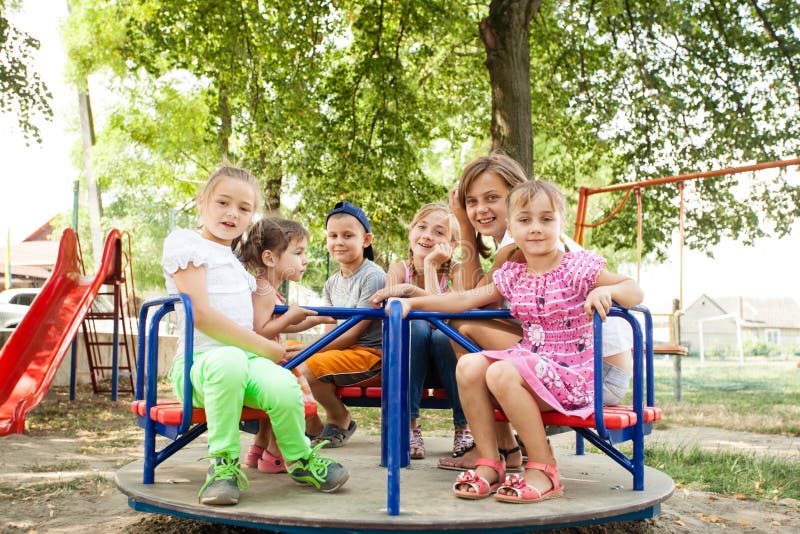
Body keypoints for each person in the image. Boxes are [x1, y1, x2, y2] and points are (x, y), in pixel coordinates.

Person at [390, 180, 644, 503]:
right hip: (531, 363)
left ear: (560, 224)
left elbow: (634, 289)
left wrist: (606, 290)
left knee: (500, 372)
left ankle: (543, 468)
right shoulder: (513, 274)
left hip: (573, 375)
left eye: (546, 219)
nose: (536, 228)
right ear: (512, 226)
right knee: (469, 365)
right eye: (525, 220)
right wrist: (414, 303)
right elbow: (464, 300)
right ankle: (490, 462)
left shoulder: (577, 268)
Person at [162, 165, 348, 506]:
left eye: (244, 208)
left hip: (244, 360)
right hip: (198, 363)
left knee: (282, 385)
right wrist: (265, 347)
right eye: (222, 203)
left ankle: (300, 458)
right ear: (201, 202)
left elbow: (255, 320)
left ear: (251, 217)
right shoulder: (185, 243)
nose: (232, 213)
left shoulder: (235, 265)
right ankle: (223, 465)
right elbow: (201, 315)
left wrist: (288, 329)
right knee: (230, 361)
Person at [441, 153, 633, 471]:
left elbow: (471, 302)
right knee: (462, 330)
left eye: (492, 198)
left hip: (593, 372)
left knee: (460, 327)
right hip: (577, 359)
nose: (480, 209)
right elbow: (472, 293)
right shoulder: (523, 240)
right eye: (471, 202)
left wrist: (462, 223)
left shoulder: (520, 246)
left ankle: (504, 447)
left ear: (519, 196)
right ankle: (504, 448)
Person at [369, 203, 472, 460]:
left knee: (442, 334)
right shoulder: (398, 269)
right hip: (409, 363)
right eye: (422, 227)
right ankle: (410, 427)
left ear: (452, 245)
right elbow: (389, 306)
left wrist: (426, 272)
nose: (427, 235)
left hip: (448, 363)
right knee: (413, 326)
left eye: (438, 232)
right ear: (411, 232)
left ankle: (464, 427)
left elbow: (446, 314)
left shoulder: (457, 271)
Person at [236, 216, 335, 474]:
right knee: (294, 399)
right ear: (270, 258)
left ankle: (259, 448)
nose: (305, 260)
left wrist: (312, 318)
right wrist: (290, 316)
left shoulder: (269, 288)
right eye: (298, 253)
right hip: (264, 362)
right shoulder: (264, 289)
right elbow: (260, 329)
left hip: (266, 362)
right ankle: (275, 455)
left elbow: (281, 324)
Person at [297, 201, 386, 448]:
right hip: (345, 353)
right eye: (333, 236)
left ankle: (338, 417)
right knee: (285, 360)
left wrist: (306, 351)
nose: (339, 242)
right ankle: (311, 422)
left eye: (348, 235)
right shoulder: (331, 283)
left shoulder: (374, 276)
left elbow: (351, 335)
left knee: (304, 366)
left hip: (372, 356)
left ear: (366, 240)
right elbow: (329, 330)